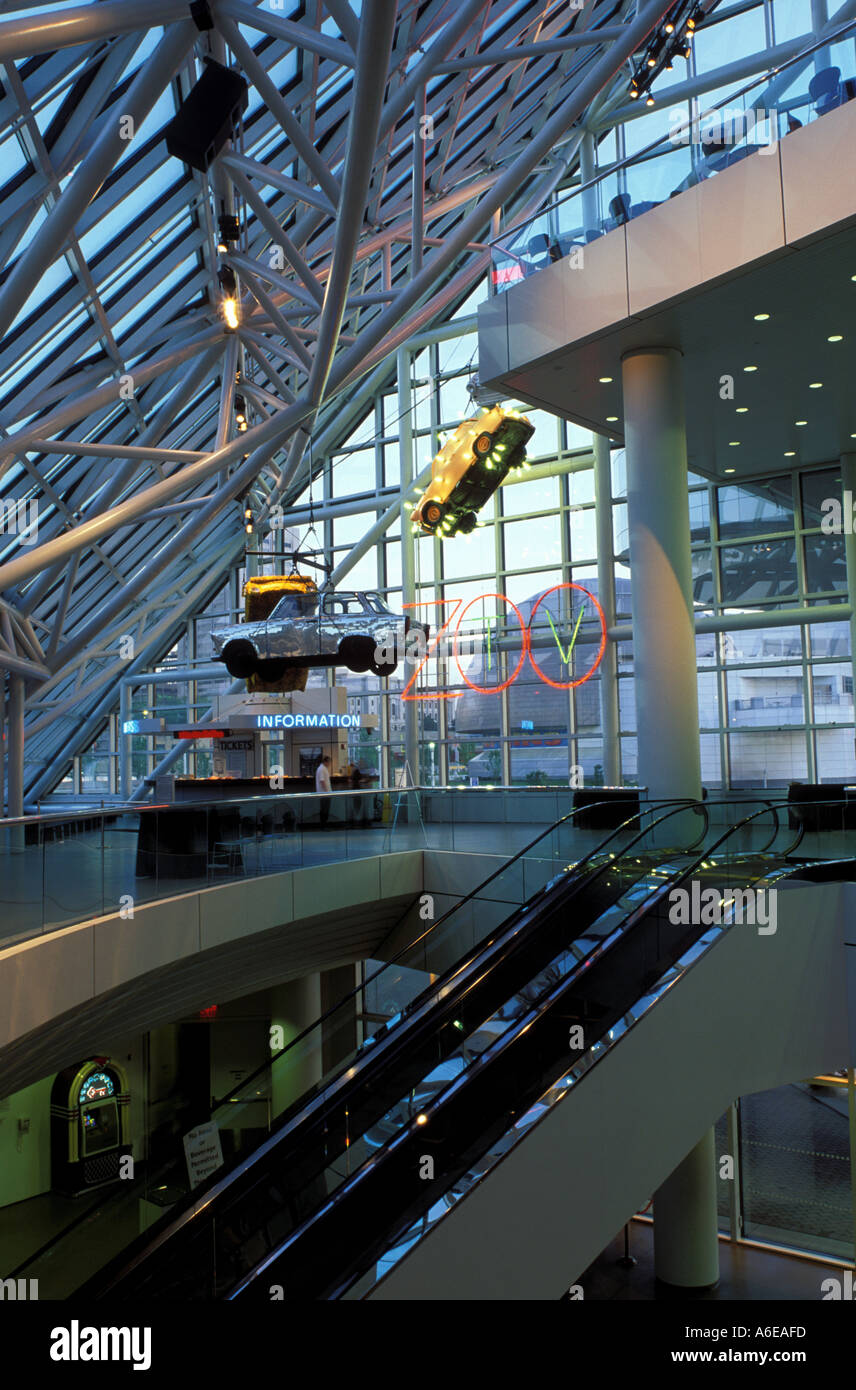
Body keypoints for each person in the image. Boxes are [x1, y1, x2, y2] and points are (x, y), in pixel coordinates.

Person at [315, 754, 332, 828]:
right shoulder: (322, 769)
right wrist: (327, 791)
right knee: (324, 810)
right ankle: (323, 825)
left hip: (325, 793)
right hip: (324, 793)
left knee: (325, 809)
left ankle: (324, 825)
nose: (329, 764)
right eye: (329, 762)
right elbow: (322, 781)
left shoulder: (323, 768)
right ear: (326, 761)